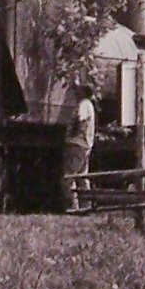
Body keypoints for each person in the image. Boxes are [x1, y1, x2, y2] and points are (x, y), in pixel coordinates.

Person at [61, 81, 97, 212]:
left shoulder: (83, 104)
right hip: (86, 144)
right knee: (82, 177)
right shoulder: (90, 105)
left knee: (69, 176)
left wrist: (72, 135)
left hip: (77, 144)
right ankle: (86, 205)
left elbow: (80, 120)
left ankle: (73, 206)